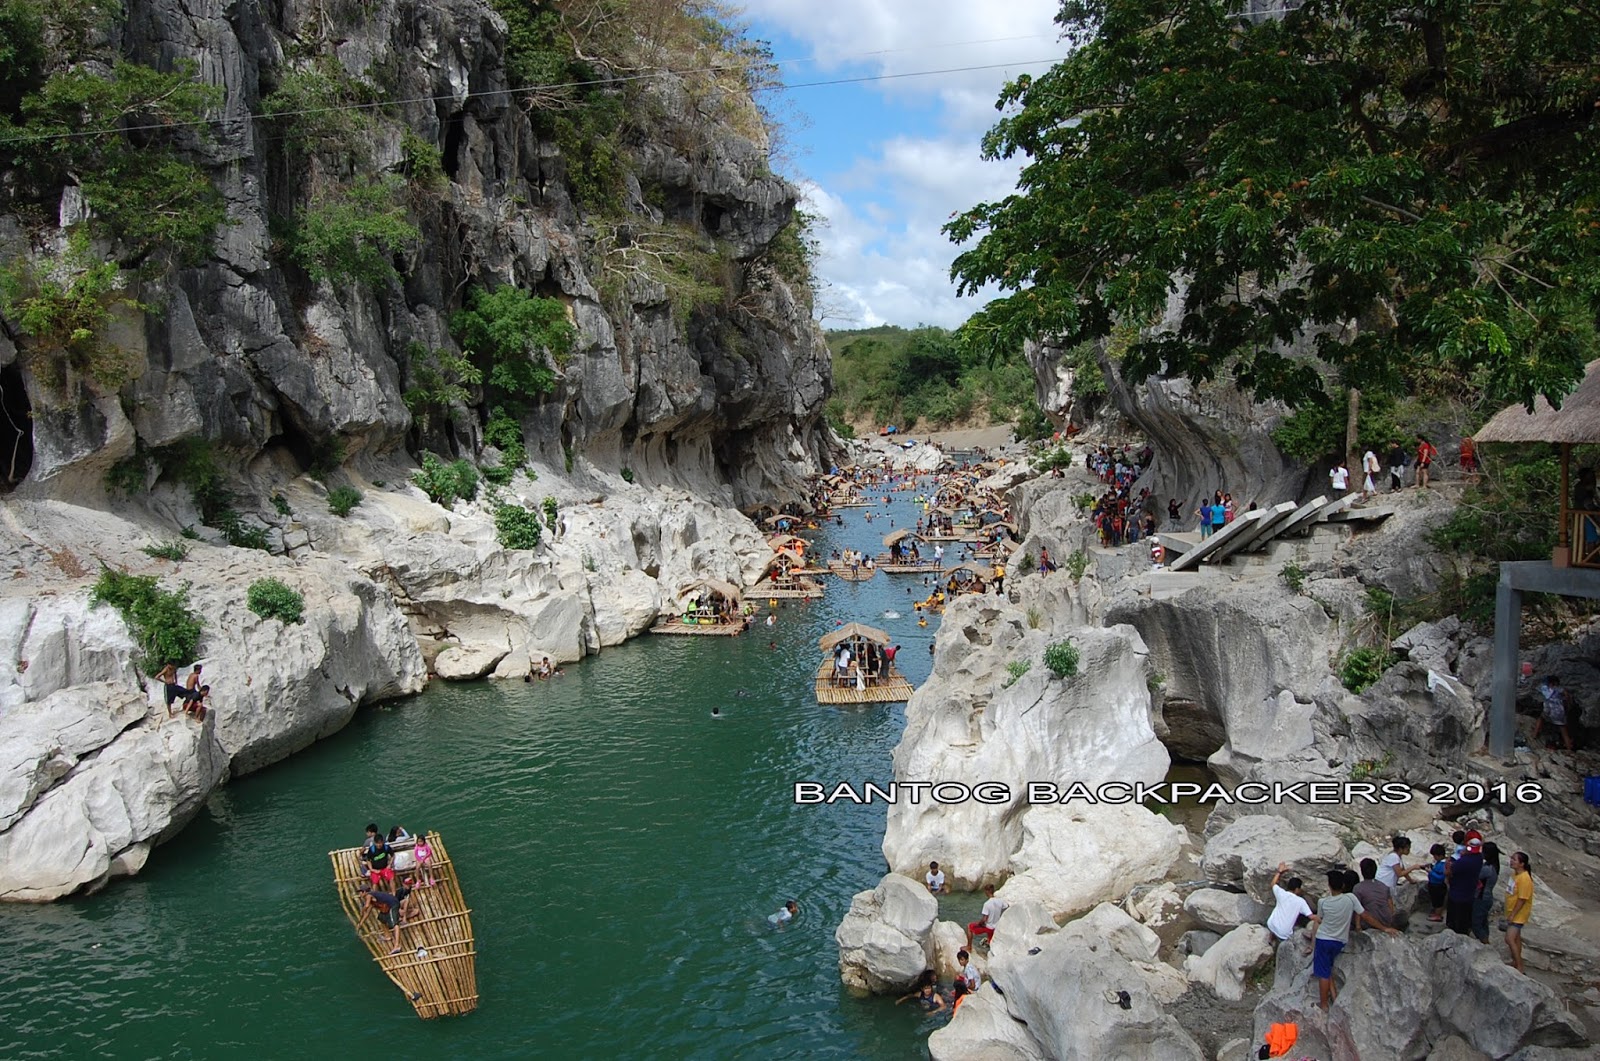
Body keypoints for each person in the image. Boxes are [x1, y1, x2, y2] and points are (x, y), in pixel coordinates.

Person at [1308, 869, 1399, 1010]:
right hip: (1340, 941)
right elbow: (1365, 915)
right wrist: (1384, 928)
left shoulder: (1323, 902)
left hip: (1323, 940)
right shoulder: (1351, 898)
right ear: (1343, 885)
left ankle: (1324, 1005)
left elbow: (1320, 919)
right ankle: (1334, 996)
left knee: (1323, 973)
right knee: (1327, 967)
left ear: (1329, 886)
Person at [358, 878, 416, 954]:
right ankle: (387, 936)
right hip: (386, 906)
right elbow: (367, 913)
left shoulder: (369, 895)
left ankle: (397, 945)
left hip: (393, 905)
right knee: (381, 919)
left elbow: (366, 906)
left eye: (360, 892)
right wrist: (360, 923)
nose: (359, 894)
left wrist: (362, 911)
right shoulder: (372, 898)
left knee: (395, 924)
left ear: (364, 892)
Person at [1445, 835, 1485, 935]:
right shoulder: (1479, 858)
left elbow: (1449, 872)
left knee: (1456, 920)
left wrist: (1448, 865)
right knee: (1465, 918)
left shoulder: (1463, 862)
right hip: (1469, 893)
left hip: (1457, 894)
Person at [1353, 858, 1407, 930]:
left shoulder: (1358, 888)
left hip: (1369, 924)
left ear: (1362, 871)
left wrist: (1358, 926)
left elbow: (1357, 909)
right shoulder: (1384, 886)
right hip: (1386, 921)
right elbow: (1390, 905)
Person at [1503, 851, 1534, 972]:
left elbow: (1522, 899)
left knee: (1509, 938)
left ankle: (1519, 966)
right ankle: (1515, 961)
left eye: (1514, 859)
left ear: (1522, 864)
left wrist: (1513, 914)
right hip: (1511, 910)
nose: (1511, 861)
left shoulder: (1525, 879)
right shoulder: (1515, 875)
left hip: (1518, 914)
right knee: (1516, 939)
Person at [1266, 862, 1313, 941]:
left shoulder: (1281, 893)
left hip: (1271, 925)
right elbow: (1311, 916)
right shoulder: (1300, 901)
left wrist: (1280, 871)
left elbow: (1273, 883)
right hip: (1283, 934)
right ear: (1297, 889)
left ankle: (1271, 938)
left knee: (1272, 919)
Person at [1533, 675, 1575, 751]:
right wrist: (1568, 704)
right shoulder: (1560, 689)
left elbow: (1538, 688)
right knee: (1564, 730)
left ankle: (1535, 735)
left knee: (1541, 718)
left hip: (1548, 709)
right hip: (1558, 712)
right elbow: (1567, 696)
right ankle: (1569, 749)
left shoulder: (1545, 688)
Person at [1473, 842, 1501, 943]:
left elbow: (1475, 874)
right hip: (1487, 897)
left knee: (1476, 923)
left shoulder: (1487, 869)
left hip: (1481, 898)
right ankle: (1485, 939)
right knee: (1483, 921)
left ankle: (1484, 941)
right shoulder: (1493, 866)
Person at [967, 883, 1006, 948]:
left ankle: (969, 947)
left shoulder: (987, 904)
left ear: (987, 891)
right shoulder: (1000, 901)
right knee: (990, 939)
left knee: (969, 926)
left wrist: (979, 923)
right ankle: (989, 942)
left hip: (989, 928)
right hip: (996, 926)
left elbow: (984, 919)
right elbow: (1006, 907)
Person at [1426, 843, 1449, 921]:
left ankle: (1438, 915)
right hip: (1433, 885)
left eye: (1435, 856)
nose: (1434, 858)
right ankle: (1436, 913)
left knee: (1438, 902)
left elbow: (1441, 877)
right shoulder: (1438, 863)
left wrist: (1431, 872)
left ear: (1440, 855)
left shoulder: (1443, 865)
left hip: (1438, 886)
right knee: (1435, 901)